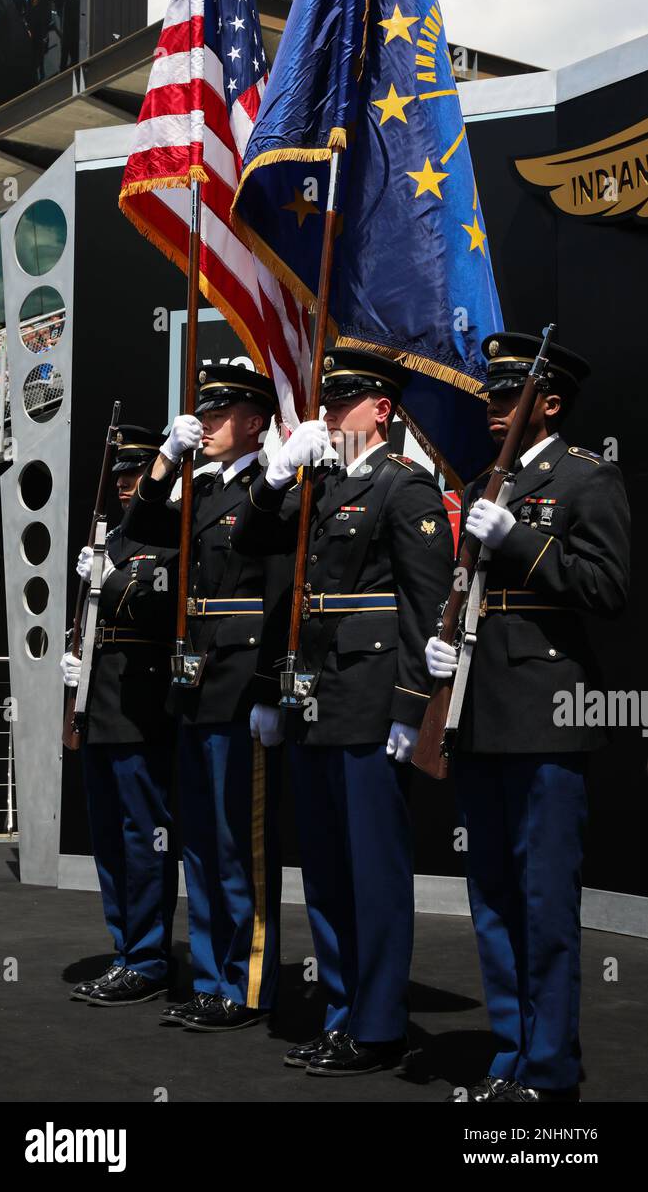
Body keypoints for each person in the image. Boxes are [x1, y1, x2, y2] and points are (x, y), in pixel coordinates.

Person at [234, 347, 454, 1076]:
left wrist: (410, 710)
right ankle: (340, 1013)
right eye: (324, 405)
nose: (325, 416)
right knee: (325, 870)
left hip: (370, 704)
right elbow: (251, 538)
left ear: (381, 410)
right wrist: (273, 476)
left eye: (339, 404)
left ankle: (381, 1023)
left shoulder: (405, 489)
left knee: (373, 874)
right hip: (315, 699)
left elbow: (425, 615)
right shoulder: (320, 486)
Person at [426, 332, 631, 1104]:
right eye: (489, 395)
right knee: (493, 898)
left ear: (547, 403)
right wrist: (440, 650)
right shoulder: (487, 481)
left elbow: (607, 588)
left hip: (543, 717)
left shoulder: (585, 478)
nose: (492, 408)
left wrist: (520, 540)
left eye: (507, 395)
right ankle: (508, 1056)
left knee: (544, 903)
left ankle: (548, 1071)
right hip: (479, 713)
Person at [121, 365, 282, 1033]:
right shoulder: (199, 488)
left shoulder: (270, 490)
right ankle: (213, 977)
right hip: (192, 684)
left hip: (238, 679)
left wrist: (270, 684)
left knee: (234, 846)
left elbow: (277, 595)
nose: (207, 423)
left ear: (254, 421)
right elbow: (138, 526)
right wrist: (164, 458)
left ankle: (245, 988)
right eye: (202, 412)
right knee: (198, 847)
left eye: (220, 412)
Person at [60, 425, 179, 1005]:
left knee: (144, 837)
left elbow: (159, 616)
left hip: (141, 706)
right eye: (122, 476)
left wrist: (111, 580)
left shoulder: (168, 533)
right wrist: (77, 653)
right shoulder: (108, 538)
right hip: (98, 704)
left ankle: (151, 956)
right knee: (108, 836)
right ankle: (125, 946)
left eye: (138, 474)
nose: (128, 485)